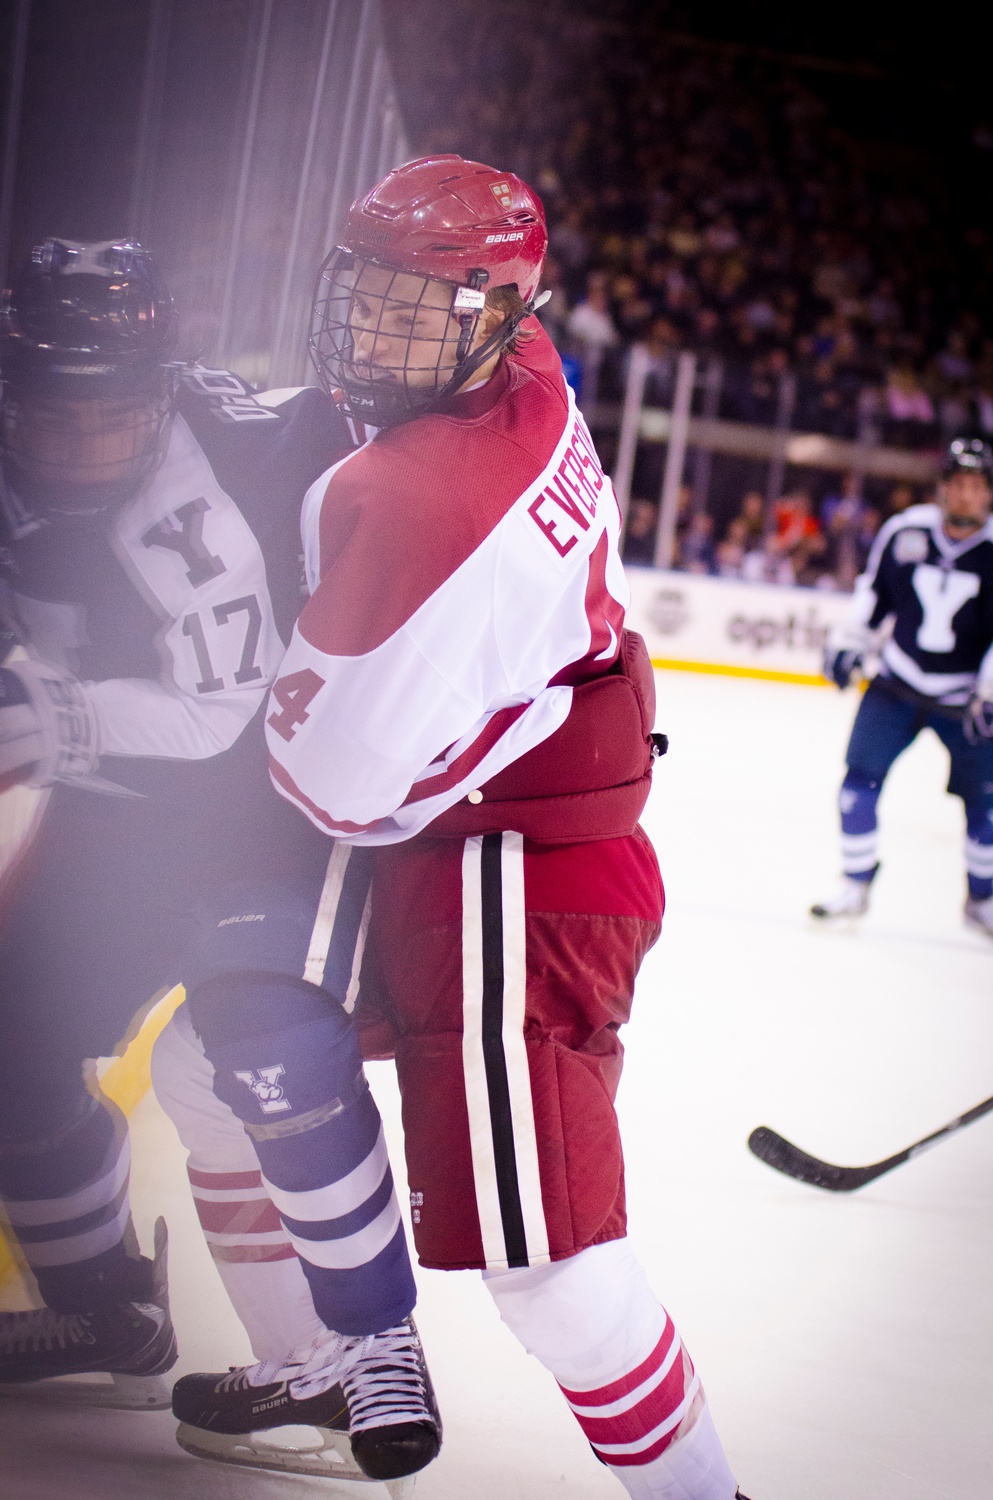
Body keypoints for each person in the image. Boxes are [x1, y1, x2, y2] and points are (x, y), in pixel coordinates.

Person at [155, 156, 752, 1500]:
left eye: (415, 307)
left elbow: (330, 793)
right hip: (515, 831)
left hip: (509, 883)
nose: (372, 327)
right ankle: (315, 1366)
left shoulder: (415, 506)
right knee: (207, 1070)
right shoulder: (525, 359)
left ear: (494, 309)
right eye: (363, 288)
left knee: (547, 1265)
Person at [0, 238, 438, 1487]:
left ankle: (371, 1348)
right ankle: (107, 1307)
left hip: (254, 810)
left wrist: (58, 718)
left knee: (265, 1046)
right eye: (53, 408)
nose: (84, 443)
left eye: (114, 410)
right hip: (111, 817)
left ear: (167, 382)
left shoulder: (211, 481)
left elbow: (220, 709)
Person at [812, 438, 993, 934]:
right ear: (942, 488)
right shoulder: (905, 531)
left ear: (989, 493)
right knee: (857, 785)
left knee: (988, 804)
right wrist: (853, 641)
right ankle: (855, 883)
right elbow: (874, 597)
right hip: (897, 682)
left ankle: (982, 899)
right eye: (957, 483)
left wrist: (990, 690)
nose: (965, 495)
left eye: (976, 486)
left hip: (965, 700)